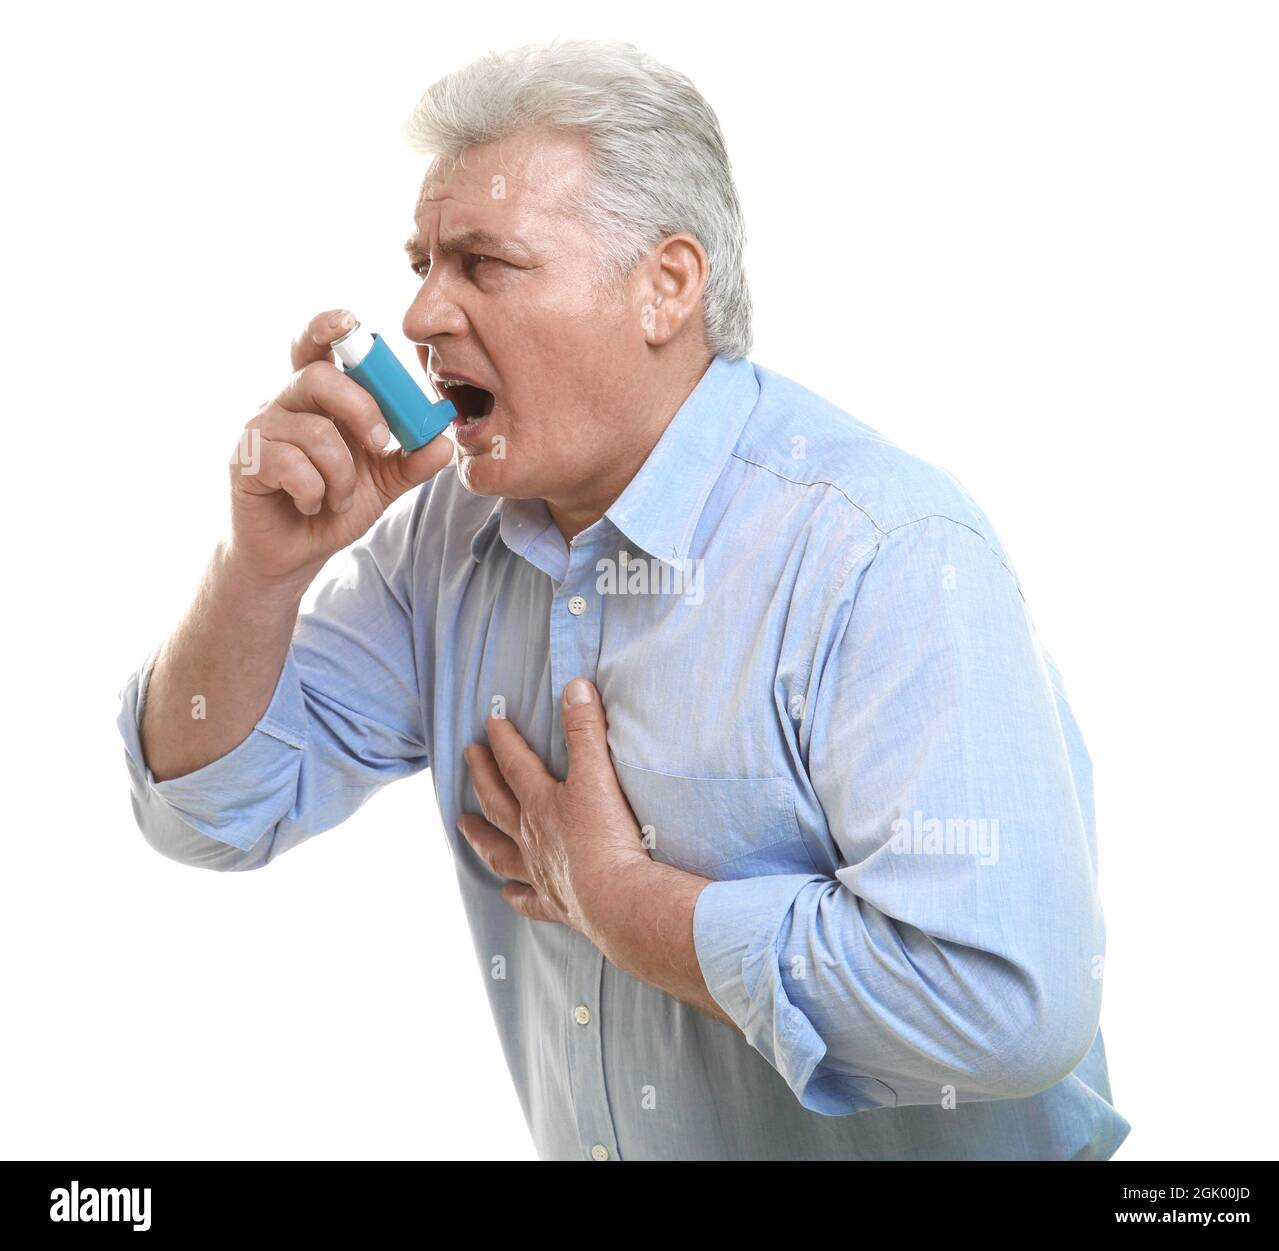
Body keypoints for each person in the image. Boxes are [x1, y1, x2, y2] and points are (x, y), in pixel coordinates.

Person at [116, 37, 1130, 1161]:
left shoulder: (879, 549)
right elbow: (206, 813)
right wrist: (260, 572)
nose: (420, 317)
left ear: (665, 287)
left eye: (483, 264)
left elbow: (1002, 1008)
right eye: (420, 265)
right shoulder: (442, 542)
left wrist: (628, 907)